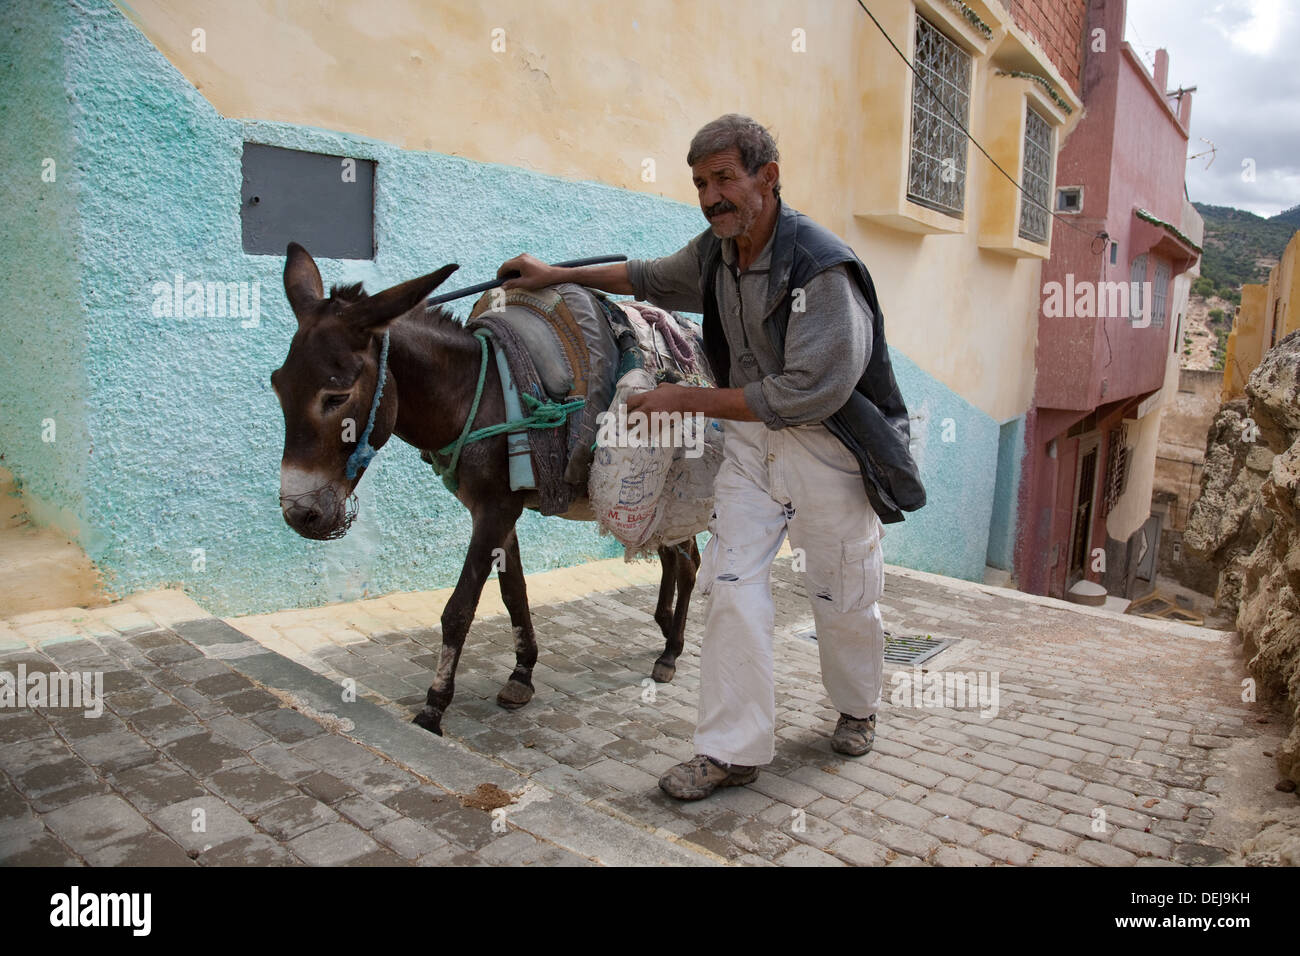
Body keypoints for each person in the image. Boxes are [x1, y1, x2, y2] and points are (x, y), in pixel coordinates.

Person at [498, 114, 924, 800]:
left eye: (725, 178)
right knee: (730, 589)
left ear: (768, 177)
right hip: (752, 450)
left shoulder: (823, 269)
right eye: (700, 182)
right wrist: (555, 273)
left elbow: (808, 391)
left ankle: (857, 706)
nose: (711, 196)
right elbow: (649, 277)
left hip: (829, 447)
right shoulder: (718, 253)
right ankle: (731, 752)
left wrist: (683, 400)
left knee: (842, 593)